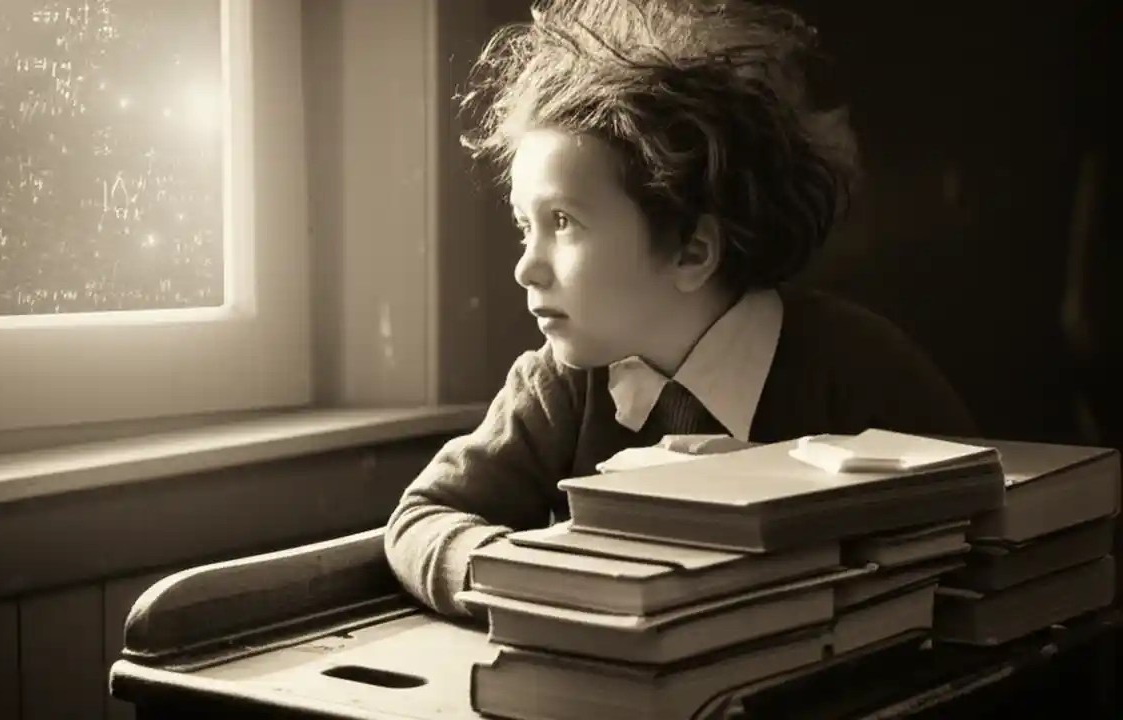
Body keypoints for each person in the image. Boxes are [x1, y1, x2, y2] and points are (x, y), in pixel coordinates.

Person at [385, 0, 977, 619]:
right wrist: (514, 573)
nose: (525, 266)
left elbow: (980, 538)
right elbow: (423, 516)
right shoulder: (556, 388)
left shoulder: (862, 370)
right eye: (524, 225)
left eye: (562, 222)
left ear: (692, 251)